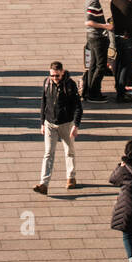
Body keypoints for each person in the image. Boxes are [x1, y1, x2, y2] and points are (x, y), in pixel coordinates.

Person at [34, 61, 82, 195]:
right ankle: (44, 184)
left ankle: (71, 177)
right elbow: (44, 102)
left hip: (66, 123)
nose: (55, 79)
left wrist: (76, 125)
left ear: (63, 72)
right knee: (48, 153)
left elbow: (78, 107)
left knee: (69, 151)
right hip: (50, 123)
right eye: (52, 76)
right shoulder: (47, 83)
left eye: (57, 76)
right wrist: (42, 122)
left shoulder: (70, 85)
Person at [110, 0, 132, 103]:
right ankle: (121, 93)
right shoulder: (131, 5)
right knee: (125, 67)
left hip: (117, 38)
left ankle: (118, 88)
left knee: (119, 64)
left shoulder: (114, 2)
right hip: (128, 39)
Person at [84, 0, 112, 101]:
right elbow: (89, 22)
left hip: (92, 37)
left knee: (93, 65)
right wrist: (104, 26)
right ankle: (94, 93)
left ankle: (90, 91)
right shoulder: (93, 2)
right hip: (97, 37)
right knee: (101, 66)